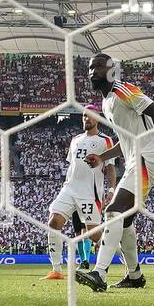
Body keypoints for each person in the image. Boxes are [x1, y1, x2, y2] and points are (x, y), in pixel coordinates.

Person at [76, 54, 154, 292]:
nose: (92, 71)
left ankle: (100, 272)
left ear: (111, 70)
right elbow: (125, 139)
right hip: (134, 161)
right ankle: (135, 275)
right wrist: (103, 157)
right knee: (125, 221)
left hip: (147, 158)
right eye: (90, 68)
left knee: (114, 210)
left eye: (98, 66)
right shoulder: (107, 103)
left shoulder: (123, 90)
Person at [42, 111, 115, 280]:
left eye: (89, 115)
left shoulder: (105, 140)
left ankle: (126, 259)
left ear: (97, 119)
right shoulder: (75, 140)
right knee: (53, 222)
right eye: (83, 116)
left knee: (93, 234)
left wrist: (111, 190)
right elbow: (73, 166)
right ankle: (56, 269)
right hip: (69, 188)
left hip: (90, 192)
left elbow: (110, 167)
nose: (86, 118)